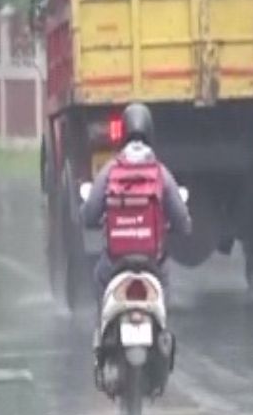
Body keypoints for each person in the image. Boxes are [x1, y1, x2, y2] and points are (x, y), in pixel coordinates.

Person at [80, 103, 192, 317]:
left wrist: (87, 216)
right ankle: (163, 335)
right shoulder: (161, 172)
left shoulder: (110, 169)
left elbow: (90, 213)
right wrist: (183, 226)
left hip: (114, 262)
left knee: (99, 278)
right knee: (165, 284)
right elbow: (182, 220)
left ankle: (101, 335)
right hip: (153, 262)